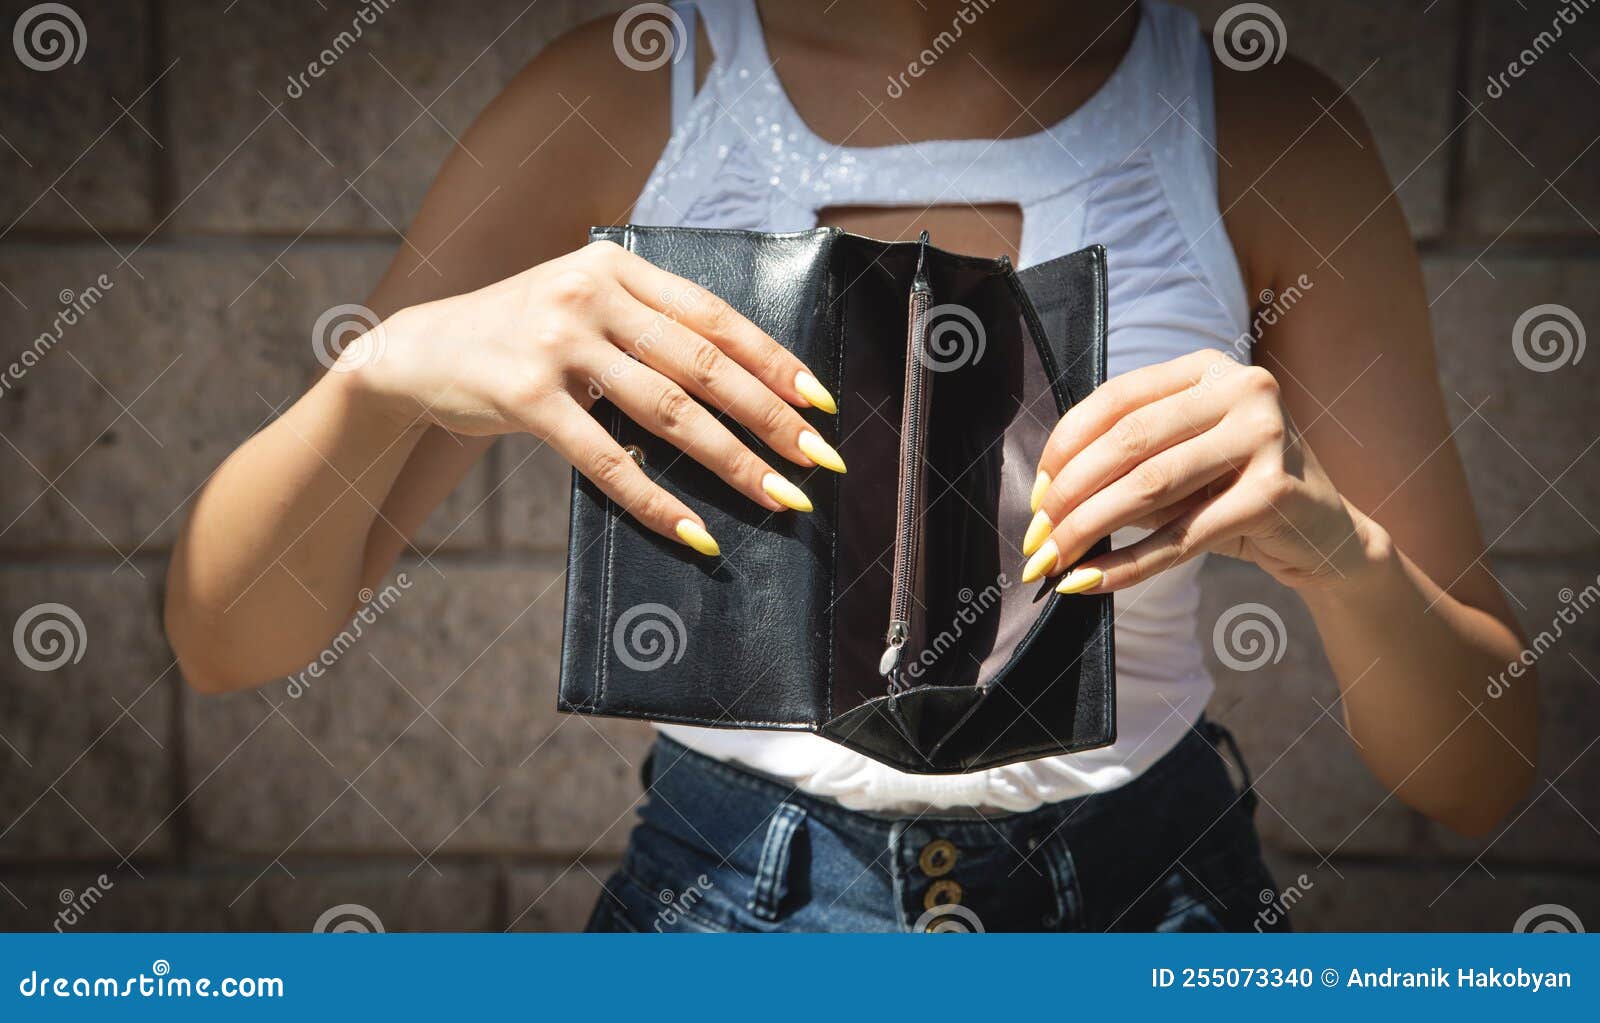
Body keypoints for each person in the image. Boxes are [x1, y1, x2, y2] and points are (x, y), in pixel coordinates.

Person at [164, 0, 1537, 931]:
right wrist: (380, 370)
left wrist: (1335, 548)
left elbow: (1478, 774)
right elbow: (227, 639)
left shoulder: (1260, 122)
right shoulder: (628, 90)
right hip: (722, 910)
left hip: (1152, 907)